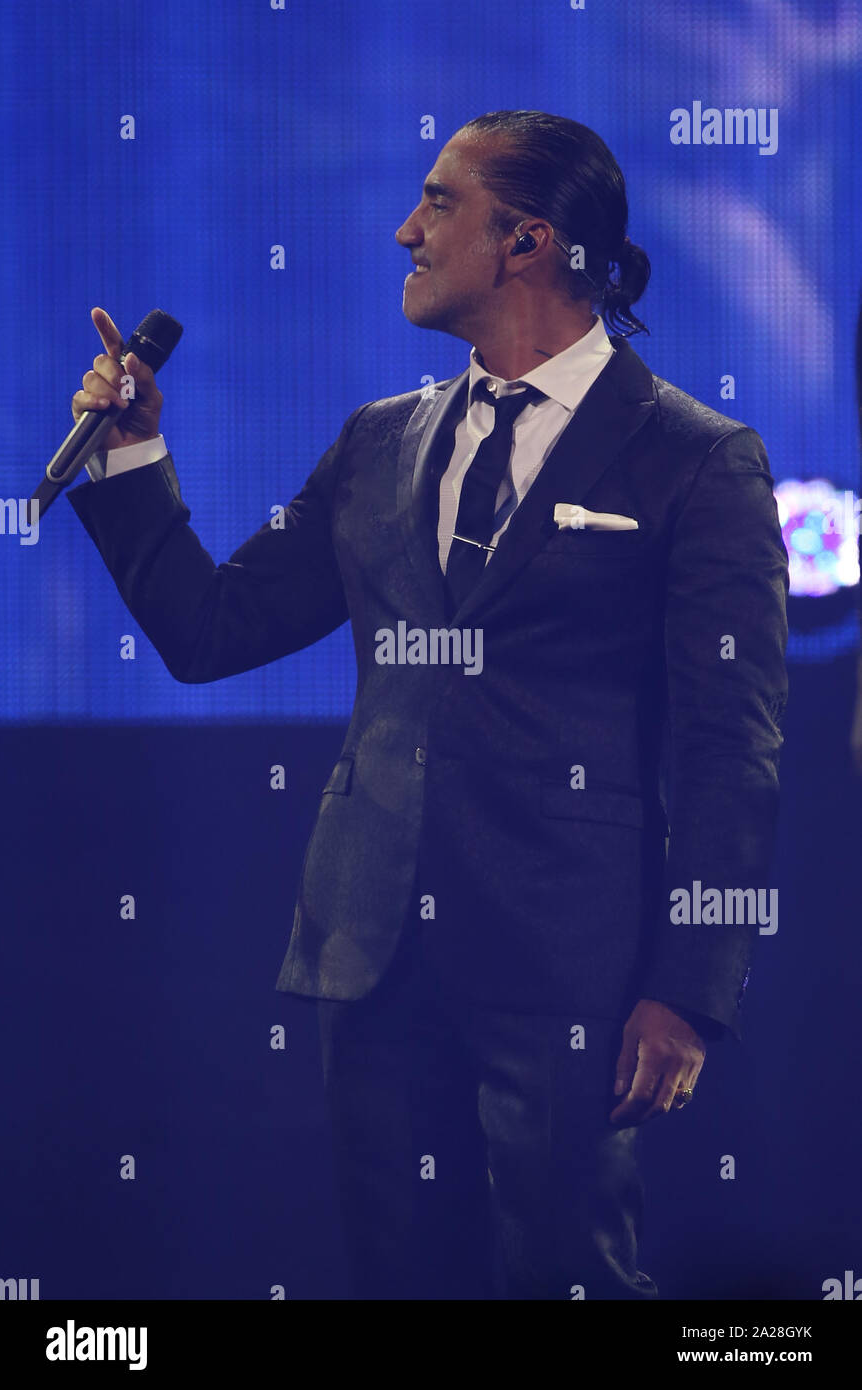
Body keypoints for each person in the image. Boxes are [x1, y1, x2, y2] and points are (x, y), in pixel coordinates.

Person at [67, 110, 789, 1300]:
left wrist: (690, 989)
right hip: (374, 955)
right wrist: (136, 456)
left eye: (436, 204)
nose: (405, 230)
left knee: (571, 1274)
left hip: (572, 971)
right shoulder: (376, 444)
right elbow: (211, 633)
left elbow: (732, 748)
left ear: (526, 240)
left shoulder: (694, 458)